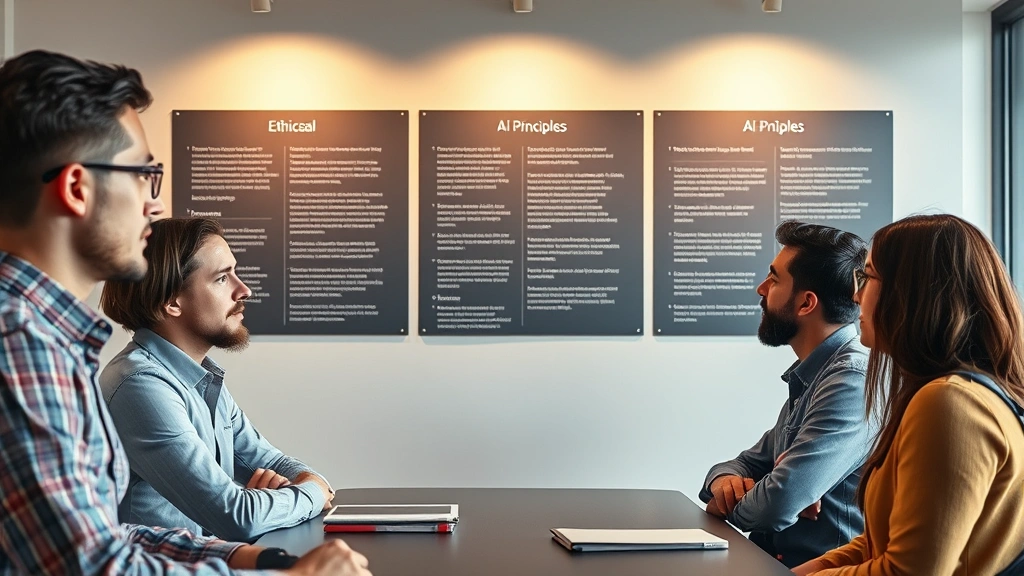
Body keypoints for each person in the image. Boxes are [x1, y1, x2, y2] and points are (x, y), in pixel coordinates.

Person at [0, 49, 368, 574]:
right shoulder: (21, 346)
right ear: (78, 187)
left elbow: (107, 533)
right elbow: (93, 565)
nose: (154, 204)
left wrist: (258, 561)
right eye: (141, 176)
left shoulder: (50, 342)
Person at [793, 214, 1024, 576]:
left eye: (866, 277)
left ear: (912, 293)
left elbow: (909, 571)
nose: (856, 295)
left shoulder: (950, 403)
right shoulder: (950, 396)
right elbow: (878, 543)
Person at [99, 217, 334, 542]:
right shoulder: (139, 385)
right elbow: (236, 516)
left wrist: (303, 485)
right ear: (171, 302)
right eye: (222, 278)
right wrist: (312, 494)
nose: (244, 290)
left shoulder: (201, 378)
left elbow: (273, 463)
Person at [698, 221, 875, 568]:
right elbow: (745, 464)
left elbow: (777, 505)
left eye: (774, 279)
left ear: (806, 303)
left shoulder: (850, 379)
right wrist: (729, 483)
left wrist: (775, 494)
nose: (760, 289)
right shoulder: (813, 374)